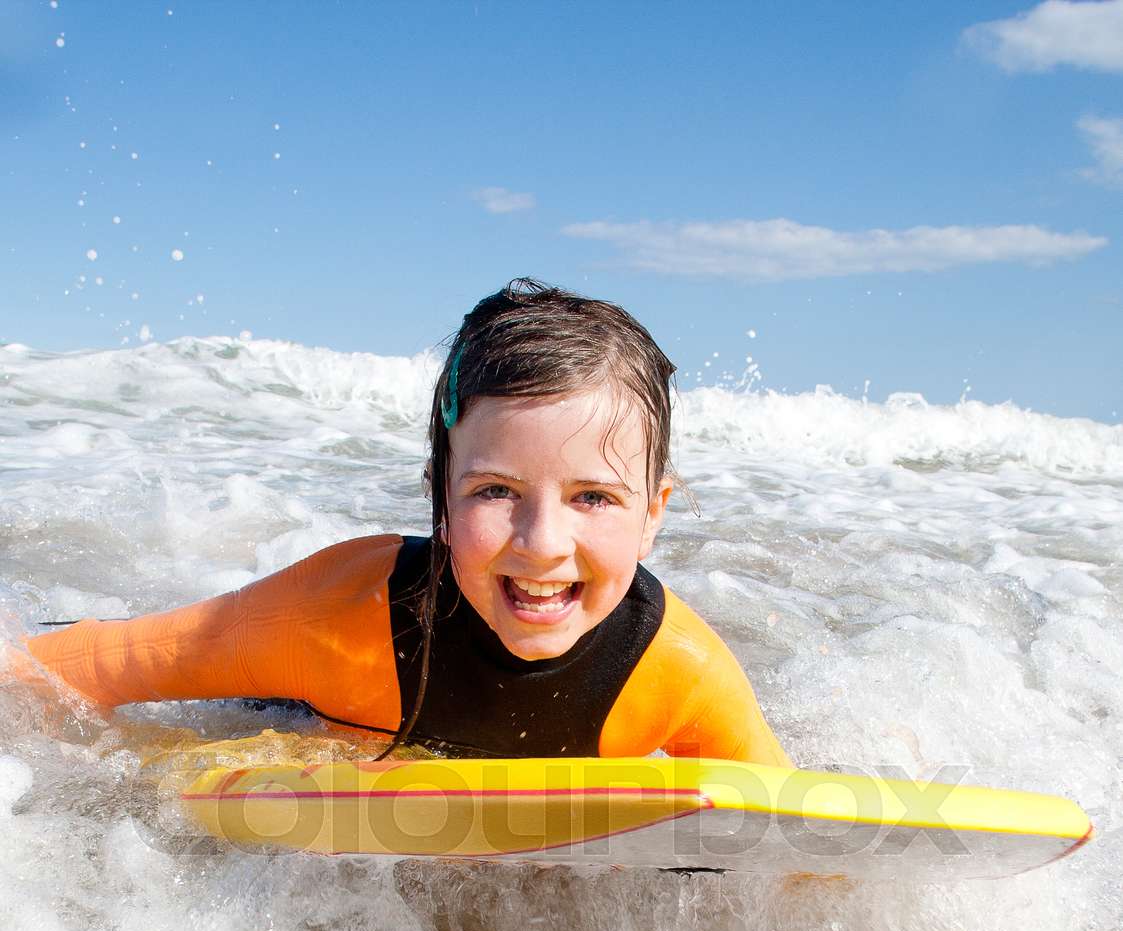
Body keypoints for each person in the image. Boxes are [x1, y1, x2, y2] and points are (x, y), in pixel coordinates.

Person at [16, 280, 790, 766]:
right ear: (442, 498)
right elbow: (68, 671)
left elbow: (783, 829)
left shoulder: (679, 673)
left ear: (652, 516)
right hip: (294, 705)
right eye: (494, 491)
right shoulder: (332, 620)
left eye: (593, 497)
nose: (543, 543)